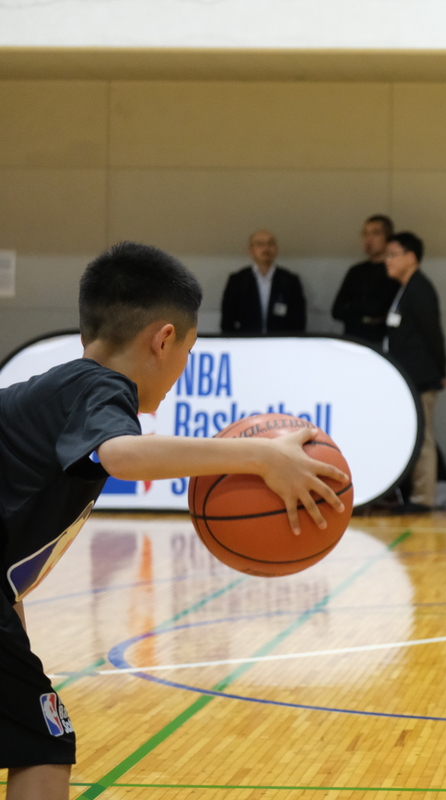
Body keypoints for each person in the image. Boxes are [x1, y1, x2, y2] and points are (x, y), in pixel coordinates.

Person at [1, 243, 345, 800]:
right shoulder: (100, 387)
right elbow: (124, 455)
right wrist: (260, 457)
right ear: (163, 341)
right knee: (42, 742)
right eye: (186, 356)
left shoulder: (62, 391)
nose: (180, 373)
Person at [383, 232, 446, 511]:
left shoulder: (421, 288)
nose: (387, 261)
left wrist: (441, 369)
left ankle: (423, 499)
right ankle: (412, 495)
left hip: (421, 377)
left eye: (392, 255)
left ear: (411, 257)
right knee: (414, 437)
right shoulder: (405, 289)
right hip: (407, 378)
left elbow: (433, 333)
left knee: (423, 437)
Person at [331, 214, 401, 346]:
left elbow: (381, 310)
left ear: (388, 237)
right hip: (352, 340)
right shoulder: (355, 271)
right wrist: (366, 318)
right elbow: (337, 311)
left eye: (375, 233)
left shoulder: (393, 271)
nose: (369, 239)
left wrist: (353, 307)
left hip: (381, 342)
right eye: (365, 234)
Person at [220, 229, 307, 334]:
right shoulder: (237, 280)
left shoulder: (290, 280)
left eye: (270, 244)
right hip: (246, 342)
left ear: (276, 249)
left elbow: (298, 319)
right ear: (250, 250)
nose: (266, 248)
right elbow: (227, 319)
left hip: (281, 343)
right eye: (260, 244)